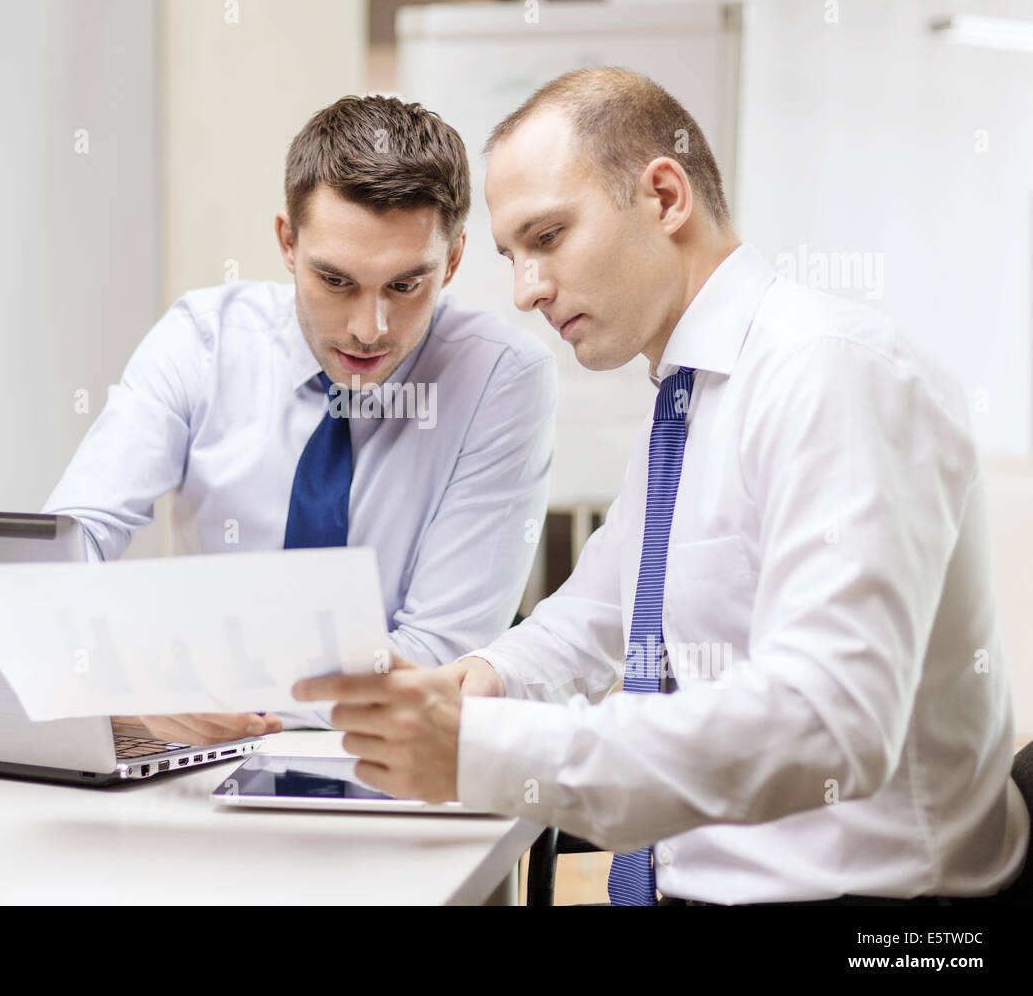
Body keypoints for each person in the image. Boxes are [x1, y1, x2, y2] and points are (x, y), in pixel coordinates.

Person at [294, 67, 1030, 905]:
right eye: (511, 256)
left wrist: (483, 750)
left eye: (547, 238)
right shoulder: (689, 395)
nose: (525, 291)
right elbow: (599, 612)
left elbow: (832, 720)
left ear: (666, 197)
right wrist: (477, 684)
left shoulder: (830, 375)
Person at [43, 94, 557, 742]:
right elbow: (70, 543)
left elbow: (435, 662)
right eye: (335, 280)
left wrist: (195, 691)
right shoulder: (203, 341)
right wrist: (123, 682)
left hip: (389, 777)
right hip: (200, 772)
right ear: (288, 242)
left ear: (452, 260)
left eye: (405, 286)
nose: (368, 329)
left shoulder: (500, 378)